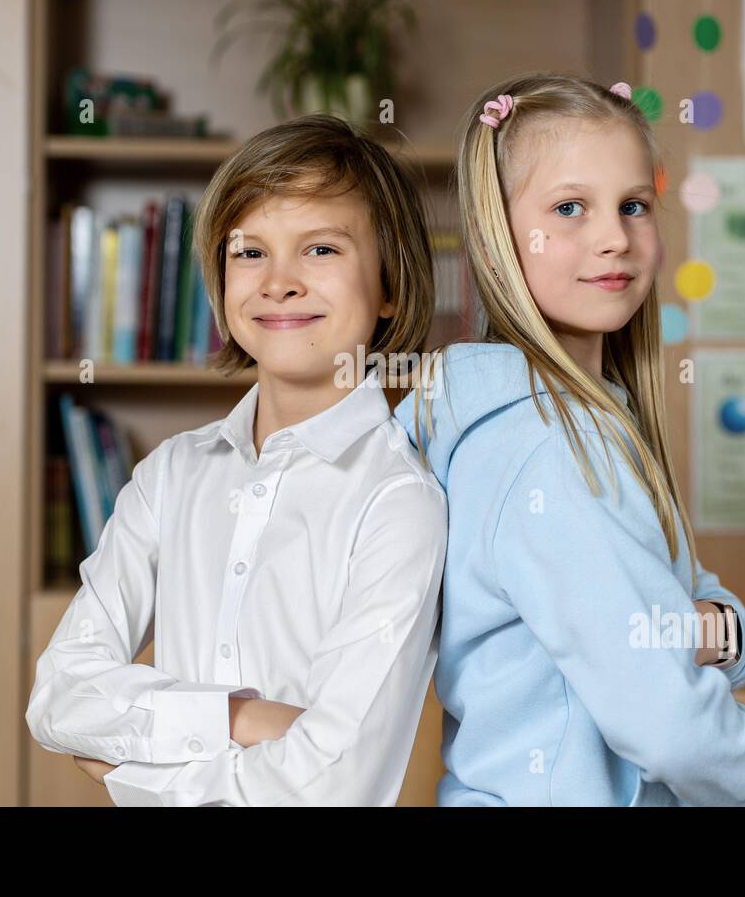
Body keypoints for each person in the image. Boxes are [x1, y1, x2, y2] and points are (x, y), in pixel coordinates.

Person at [395, 73, 745, 806]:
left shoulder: (582, 419)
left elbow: (687, 607)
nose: (614, 237)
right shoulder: (545, 446)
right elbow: (669, 722)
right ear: (494, 243)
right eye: (569, 208)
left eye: (634, 206)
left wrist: (721, 632)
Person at [27, 114, 447, 806]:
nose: (278, 282)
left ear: (391, 285)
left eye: (320, 250)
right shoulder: (171, 474)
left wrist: (135, 762)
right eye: (249, 252)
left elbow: (333, 785)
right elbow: (58, 696)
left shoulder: (398, 500)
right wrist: (236, 716)